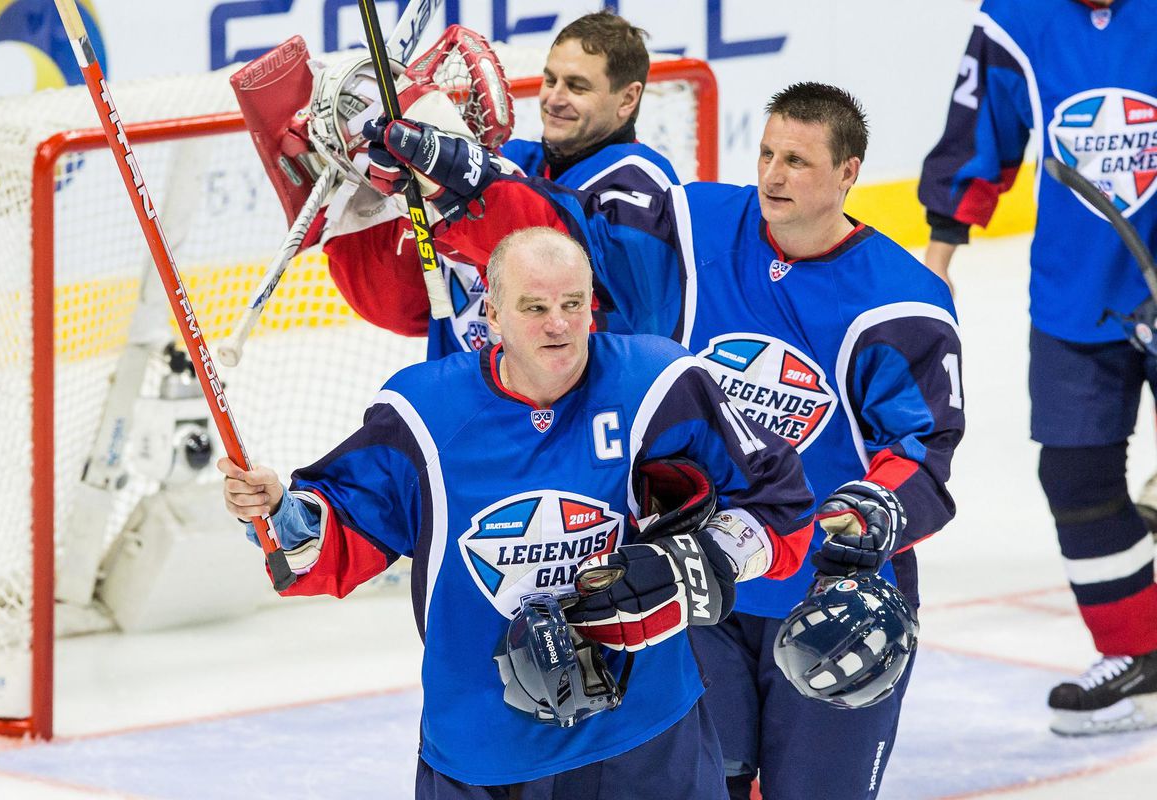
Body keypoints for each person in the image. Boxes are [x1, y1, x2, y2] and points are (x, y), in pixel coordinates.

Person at [365, 82, 965, 798]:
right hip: (697, 582)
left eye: (798, 161)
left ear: (848, 172)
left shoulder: (900, 301)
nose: (773, 175)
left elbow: (924, 456)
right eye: (768, 153)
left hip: (822, 592)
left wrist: (852, 521)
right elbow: (577, 239)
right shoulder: (698, 222)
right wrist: (474, 187)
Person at [218, 227, 816, 798]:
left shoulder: (656, 383)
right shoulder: (425, 414)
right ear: (493, 318)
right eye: (533, 308)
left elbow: (780, 501)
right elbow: (340, 533)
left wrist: (699, 560)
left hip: (645, 736)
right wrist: (276, 513)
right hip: (483, 748)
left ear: (592, 308)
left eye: (572, 304)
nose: (557, 324)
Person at [919, 0, 1157, 736]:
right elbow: (974, 137)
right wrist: (937, 263)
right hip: (1077, 297)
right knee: (1075, 477)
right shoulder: (1016, 18)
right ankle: (1137, 652)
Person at [321, 10, 682, 359]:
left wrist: (461, 186)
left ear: (628, 98)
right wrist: (364, 200)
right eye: (550, 79)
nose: (554, 98)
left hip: (568, 413)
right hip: (472, 402)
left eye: (577, 87)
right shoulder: (516, 160)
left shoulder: (642, 188)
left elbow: (561, 278)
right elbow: (410, 307)